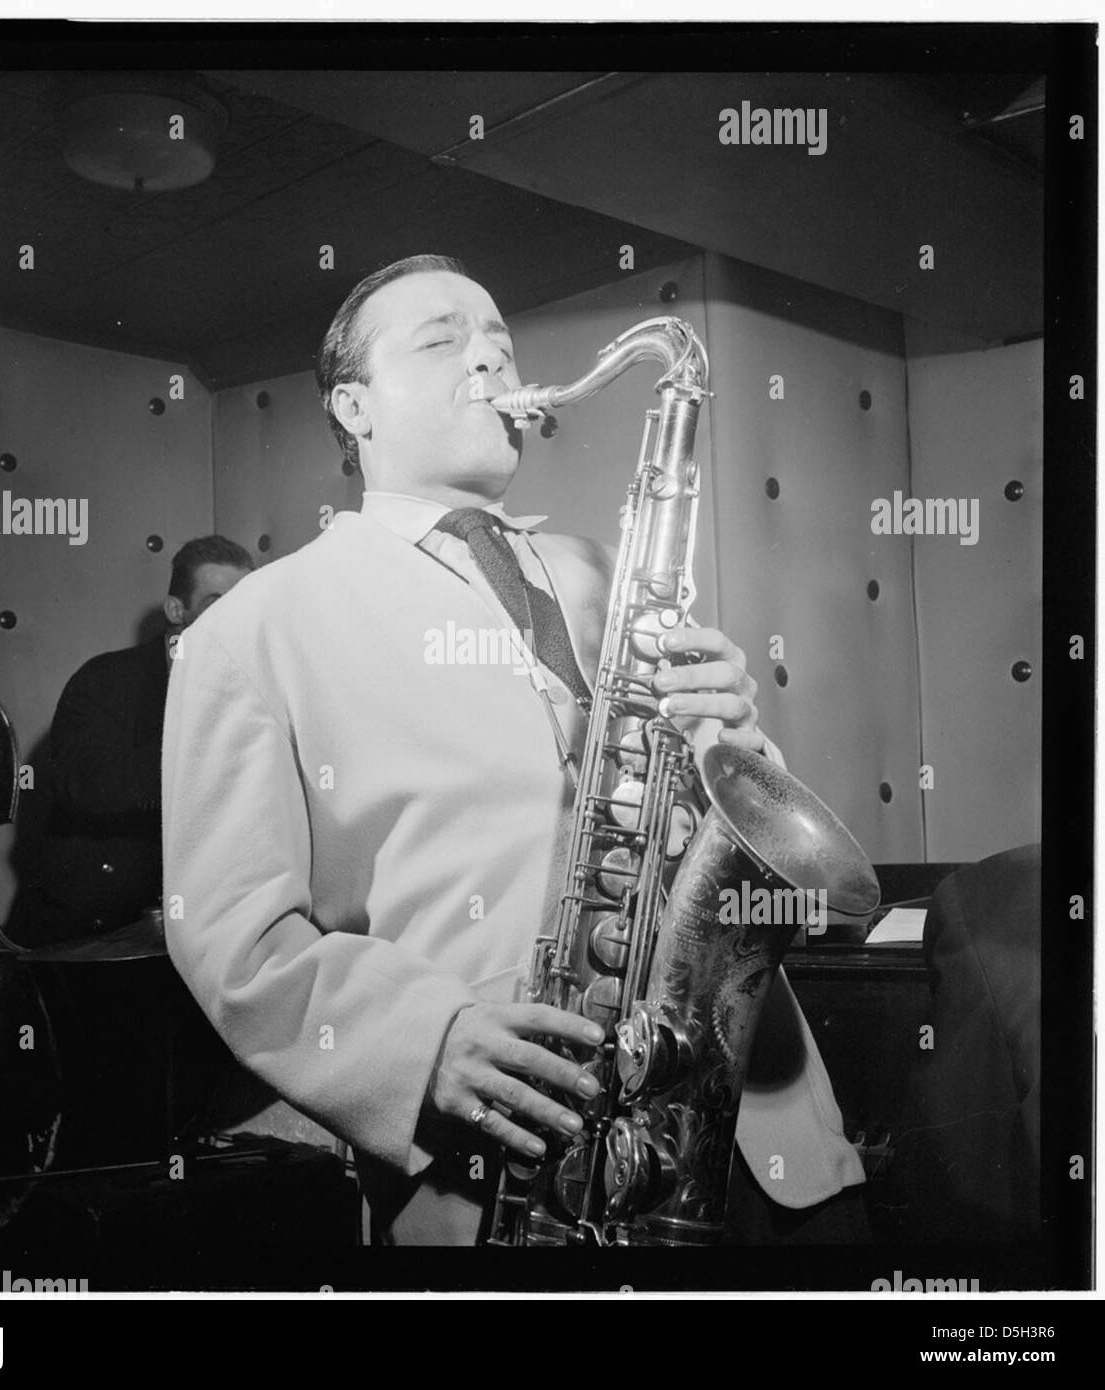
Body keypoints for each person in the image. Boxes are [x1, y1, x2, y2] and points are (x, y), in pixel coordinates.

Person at [162, 254, 865, 1245]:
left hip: (763, 1138)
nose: (490, 353)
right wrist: (423, 1041)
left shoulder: (615, 573)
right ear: (353, 406)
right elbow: (232, 934)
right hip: (515, 1174)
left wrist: (736, 736)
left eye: (499, 336)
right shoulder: (252, 626)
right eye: (443, 338)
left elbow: (753, 860)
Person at [14, 536, 253, 945]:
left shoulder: (251, 689)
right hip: (96, 935)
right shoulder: (106, 679)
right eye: (217, 602)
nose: (238, 617)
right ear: (176, 610)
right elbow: (88, 788)